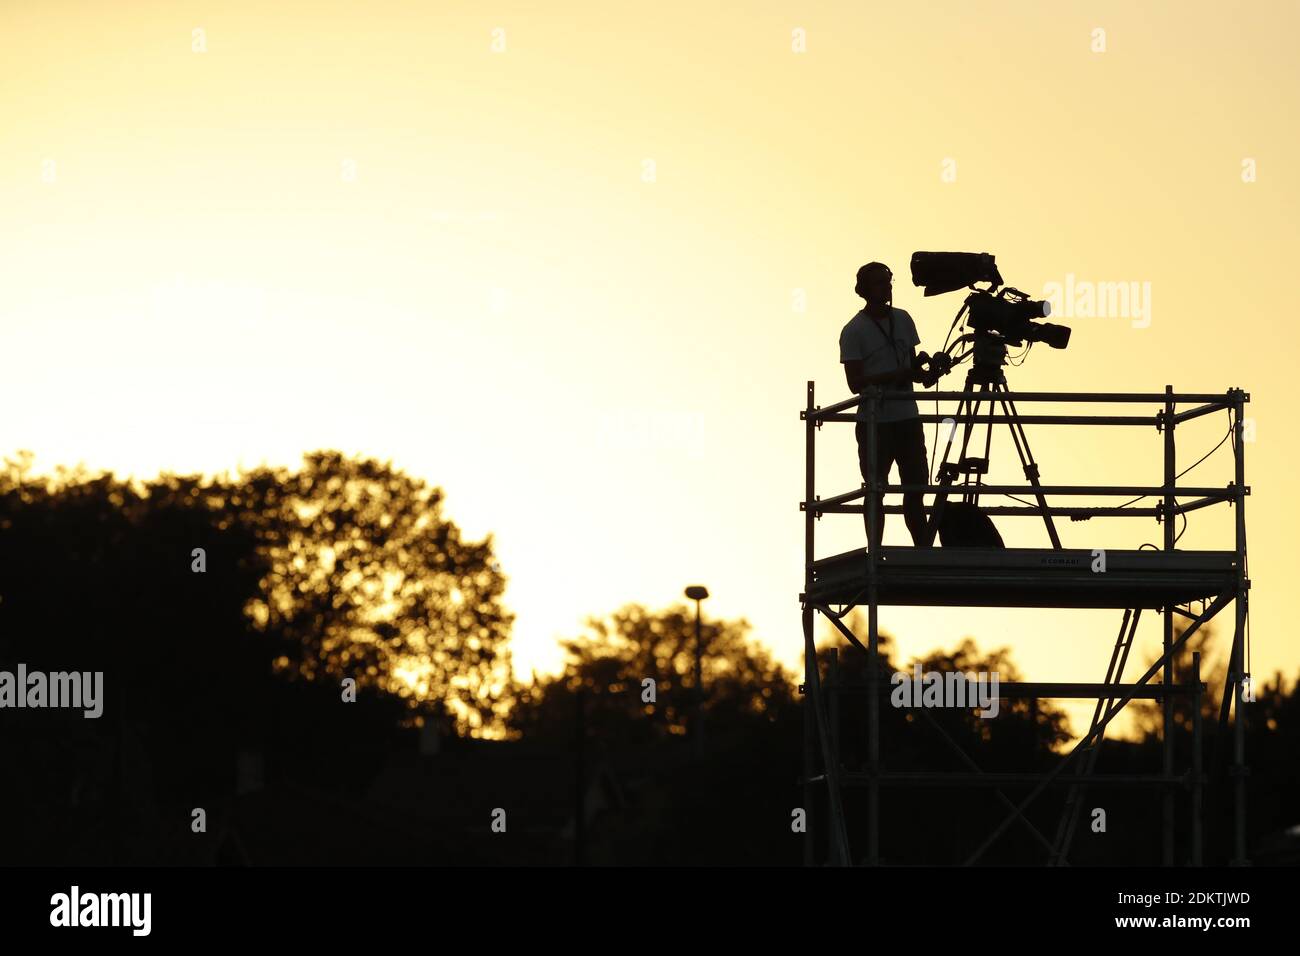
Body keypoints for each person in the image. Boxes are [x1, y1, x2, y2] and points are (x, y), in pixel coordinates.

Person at [839, 262, 930, 549]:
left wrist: (924, 369)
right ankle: (874, 551)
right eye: (880, 283)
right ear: (864, 291)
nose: (887, 287)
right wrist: (897, 375)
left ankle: (923, 551)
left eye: (888, 281)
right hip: (875, 422)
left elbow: (911, 364)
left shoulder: (903, 319)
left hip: (907, 418)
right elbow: (855, 383)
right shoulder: (853, 330)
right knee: (876, 489)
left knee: (916, 488)